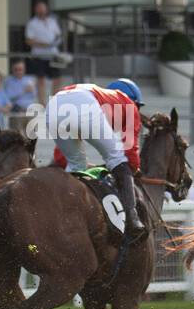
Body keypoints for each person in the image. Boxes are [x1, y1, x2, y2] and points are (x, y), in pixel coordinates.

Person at [44, 78, 146, 237]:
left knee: (76, 165)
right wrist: (131, 169)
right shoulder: (128, 104)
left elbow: (60, 158)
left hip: (53, 105)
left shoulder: (99, 97)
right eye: (138, 106)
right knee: (118, 159)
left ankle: (66, 213)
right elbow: (130, 152)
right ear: (133, 100)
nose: (137, 111)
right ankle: (132, 219)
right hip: (82, 103)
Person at [24, 0, 64, 104]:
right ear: (36, 10)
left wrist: (55, 42)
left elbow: (58, 35)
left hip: (53, 54)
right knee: (41, 80)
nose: (41, 10)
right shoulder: (32, 23)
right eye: (39, 8)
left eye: (43, 8)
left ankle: (54, 103)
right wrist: (43, 44)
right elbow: (29, 40)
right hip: (39, 55)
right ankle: (42, 103)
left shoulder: (52, 21)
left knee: (57, 79)